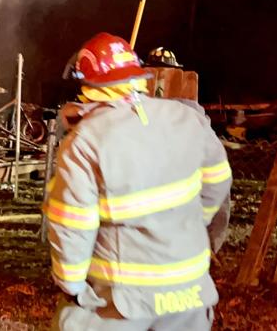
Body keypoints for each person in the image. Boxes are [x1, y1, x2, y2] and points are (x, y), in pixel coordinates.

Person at [47, 32, 231, 330]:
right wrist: (191, 223)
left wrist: (72, 284)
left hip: (121, 302)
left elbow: (72, 223)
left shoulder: (85, 141)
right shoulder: (188, 119)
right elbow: (218, 182)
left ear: (89, 83)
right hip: (190, 292)